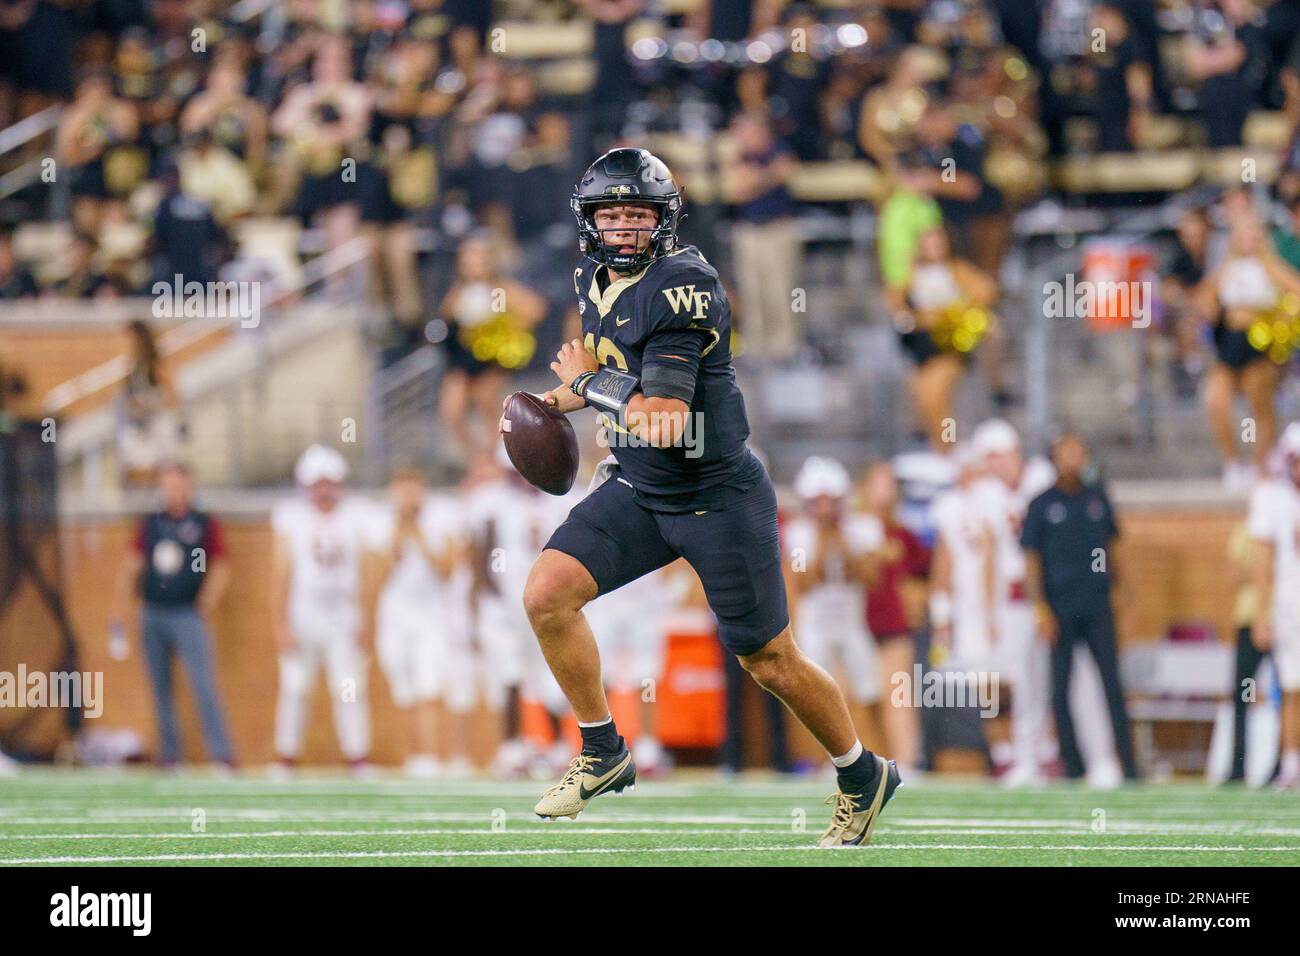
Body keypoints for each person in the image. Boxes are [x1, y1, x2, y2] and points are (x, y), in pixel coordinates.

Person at [502, 148, 900, 846]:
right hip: (640, 485)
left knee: (768, 659)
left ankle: (863, 773)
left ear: (664, 220)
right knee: (545, 594)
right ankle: (602, 750)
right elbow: (611, 372)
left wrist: (589, 387)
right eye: (611, 216)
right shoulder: (593, 279)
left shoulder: (684, 284)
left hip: (714, 494)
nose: (624, 230)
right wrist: (546, 404)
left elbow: (664, 417)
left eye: (638, 216)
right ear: (589, 222)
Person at [1021, 432, 1139, 783]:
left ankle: (1129, 767)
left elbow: (1112, 548)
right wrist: (1040, 607)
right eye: (1065, 452)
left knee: (1112, 685)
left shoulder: (1097, 498)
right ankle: (1074, 767)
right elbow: (1032, 559)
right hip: (1060, 608)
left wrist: (1125, 594)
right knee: (1060, 689)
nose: (1073, 458)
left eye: (1078, 451)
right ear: (1054, 458)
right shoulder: (1041, 504)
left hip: (1098, 605)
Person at [108, 463, 234, 768]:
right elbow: (132, 564)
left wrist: (206, 603)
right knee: (160, 689)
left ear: (189, 488)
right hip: (153, 613)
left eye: (178, 486)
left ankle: (222, 756)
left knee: (203, 686)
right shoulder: (151, 524)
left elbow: (220, 566)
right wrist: (119, 607)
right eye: (168, 487)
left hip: (188, 614)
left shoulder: (202, 524)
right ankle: (170, 756)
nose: (173, 493)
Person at [270, 445, 382, 776]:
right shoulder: (291, 518)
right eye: (316, 483)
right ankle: (286, 756)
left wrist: (367, 619)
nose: (322, 489)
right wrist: (280, 624)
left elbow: (367, 572)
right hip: (303, 613)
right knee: (294, 686)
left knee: (349, 687)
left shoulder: (357, 516)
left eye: (328, 482)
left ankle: (357, 756)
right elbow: (280, 574)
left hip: (344, 615)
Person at [1193, 192, 1300, 487]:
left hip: (1260, 347)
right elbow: (1204, 299)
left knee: (1259, 403)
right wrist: (1209, 307)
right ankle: (1232, 462)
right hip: (1230, 346)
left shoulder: (1271, 266)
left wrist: (1277, 318)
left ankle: (1260, 462)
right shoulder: (1226, 268)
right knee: (1216, 399)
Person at [971, 419, 1056, 784]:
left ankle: (1069, 754)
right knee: (1024, 682)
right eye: (987, 458)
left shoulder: (1042, 478)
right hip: (1017, 599)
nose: (994, 465)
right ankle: (1028, 757)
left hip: (1053, 594)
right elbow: (989, 555)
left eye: (997, 456)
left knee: (1065, 679)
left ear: (1013, 452)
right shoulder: (986, 494)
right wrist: (989, 611)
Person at [373, 467, 467, 778]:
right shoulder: (379, 522)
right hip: (394, 617)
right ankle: (410, 757)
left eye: (413, 487)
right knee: (403, 690)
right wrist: (399, 533)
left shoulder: (442, 519)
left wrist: (419, 535)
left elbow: (447, 571)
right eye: (402, 488)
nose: (408, 495)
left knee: (428, 686)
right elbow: (377, 575)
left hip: (431, 616)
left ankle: (430, 756)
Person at [783, 457, 884, 750]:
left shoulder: (862, 528)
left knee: (868, 692)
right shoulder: (799, 533)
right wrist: (823, 541)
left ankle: (877, 752)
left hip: (852, 620)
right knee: (814, 696)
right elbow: (805, 582)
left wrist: (842, 544)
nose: (825, 508)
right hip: (816, 622)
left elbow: (870, 577)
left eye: (831, 500)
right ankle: (821, 760)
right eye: (819, 501)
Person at [887, 225, 999, 451]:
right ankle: (940, 447)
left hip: (948, 346)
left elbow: (988, 291)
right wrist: (921, 318)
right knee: (925, 398)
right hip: (921, 345)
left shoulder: (956, 269)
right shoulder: (912, 273)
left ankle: (948, 448)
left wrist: (954, 312)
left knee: (934, 396)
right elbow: (897, 306)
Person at [858, 461, 930, 774]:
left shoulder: (903, 534)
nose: (884, 491)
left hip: (893, 625)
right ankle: (850, 765)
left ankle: (907, 761)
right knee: (854, 697)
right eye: (878, 482)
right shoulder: (851, 529)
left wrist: (917, 600)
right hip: (854, 626)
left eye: (890, 484)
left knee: (898, 696)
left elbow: (926, 570)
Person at [1246, 423, 1300, 789]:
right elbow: (1263, 563)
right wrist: (1261, 613)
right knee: (1293, 686)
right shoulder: (1271, 496)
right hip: (1290, 600)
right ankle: (1292, 763)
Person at [116, 320, 181, 489]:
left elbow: (173, 399)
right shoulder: (132, 369)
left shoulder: (158, 366)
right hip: (137, 429)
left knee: (158, 474)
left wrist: (150, 404)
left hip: (157, 430)